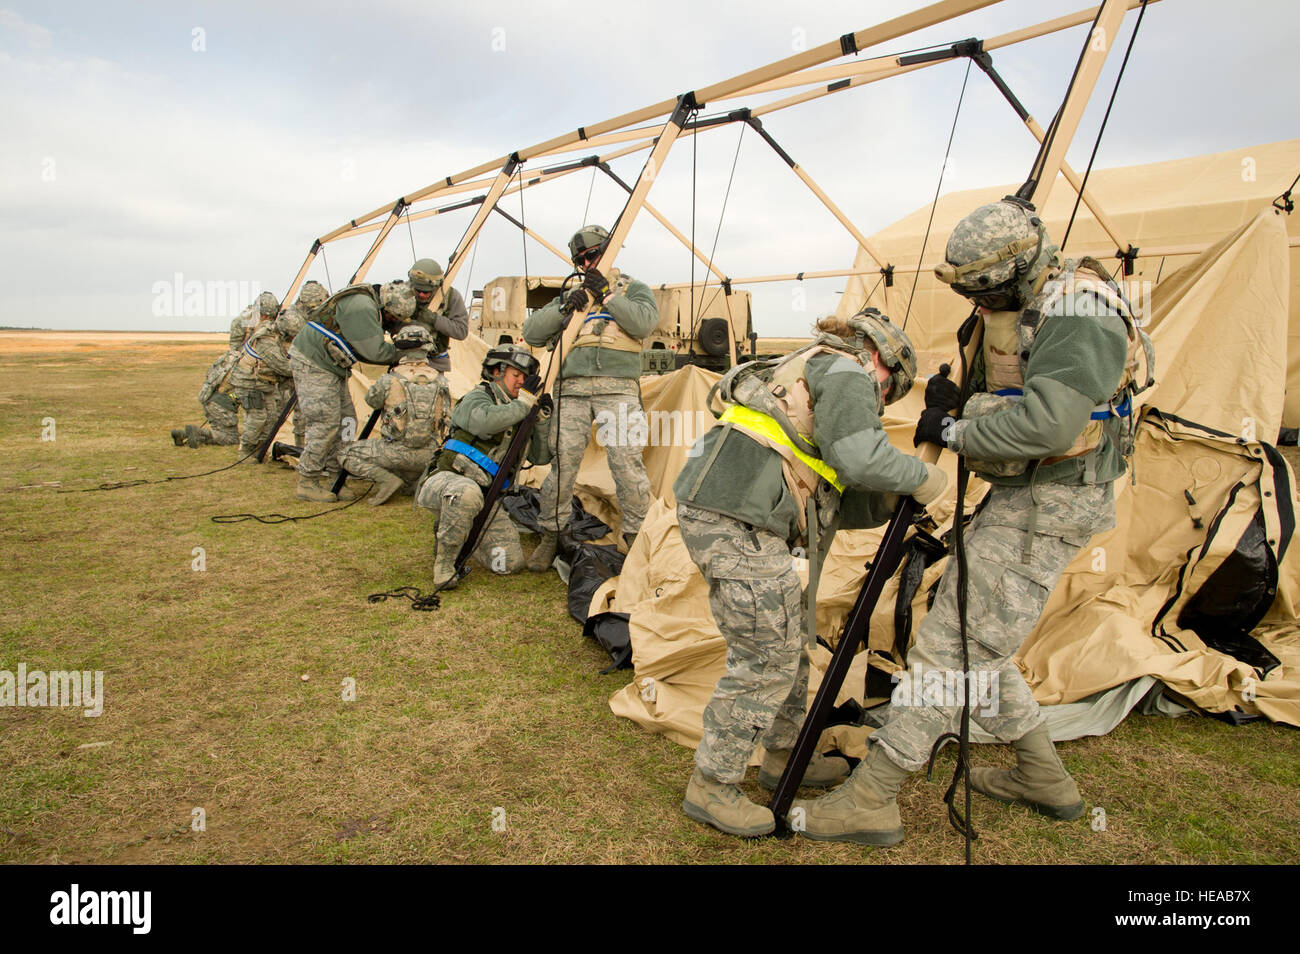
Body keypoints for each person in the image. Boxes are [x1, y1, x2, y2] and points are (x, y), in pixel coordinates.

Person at [794, 195, 1145, 846]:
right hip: (1020, 495)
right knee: (978, 632)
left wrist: (955, 426)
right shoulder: (1024, 300)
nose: (978, 306)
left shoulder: (1081, 310)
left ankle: (873, 798)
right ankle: (1045, 777)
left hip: (1051, 502)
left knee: (953, 645)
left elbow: (1050, 423)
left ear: (1017, 269)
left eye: (985, 292)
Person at [672, 311, 949, 838]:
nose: (881, 402)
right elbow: (861, 459)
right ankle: (712, 785)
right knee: (766, 655)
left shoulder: (809, 369)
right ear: (881, 361)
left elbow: (841, 495)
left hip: (741, 514)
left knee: (789, 640)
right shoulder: (847, 371)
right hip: (737, 518)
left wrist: (898, 493)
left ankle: (782, 756)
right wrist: (925, 477)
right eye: (888, 392)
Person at [521, 225, 658, 569]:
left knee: (626, 466)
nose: (587, 262)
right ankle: (552, 534)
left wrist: (608, 296)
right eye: (581, 259)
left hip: (618, 388)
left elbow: (643, 324)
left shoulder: (634, 288)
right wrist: (566, 305)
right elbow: (532, 333)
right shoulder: (571, 294)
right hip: (571, 389)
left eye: (593, 254)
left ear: (609, 251)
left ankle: (637, 540)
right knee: (562, 465)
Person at [415, 343, 552, 588]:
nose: (521, 381)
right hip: (446, 482)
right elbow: (484, 423)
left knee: (509, 564)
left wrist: (541, 421)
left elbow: (541, 458)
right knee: (467, 494)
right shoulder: (479, 396)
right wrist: (523, 405)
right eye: (516, 375)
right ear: (497, 372)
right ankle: (445, 565)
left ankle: (459, 530)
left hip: (487, 498)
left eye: (525, 377)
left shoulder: (521, 409)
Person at [288, 280, 405, 502]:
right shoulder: (362, 305)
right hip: (314, 363)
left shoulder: (367, 302)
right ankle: (307, 480)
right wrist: (403, 351)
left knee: (347, 421)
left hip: (330, 366)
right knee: (325, 422)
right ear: (386, 307)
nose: (392, 323)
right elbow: (376, 352)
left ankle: (336, 477)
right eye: (392, 318)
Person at [339, 323, 451, 506]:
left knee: (345, 453)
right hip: (429, 455)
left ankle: (387, 480)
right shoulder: (442, 381)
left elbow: (371, 401)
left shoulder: (389, 379)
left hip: (395, 452)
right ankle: (416, 482)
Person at [171, 291, 278, 448]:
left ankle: (189, 434)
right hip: (221, 400)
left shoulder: (241, 322)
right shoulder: (247, 331)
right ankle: (197, 432)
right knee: (230, 438)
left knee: (240, 402)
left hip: (220, 395)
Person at [229, 292, 290, 460]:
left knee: (271, 416)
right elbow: (283, 367)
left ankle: (260, 450)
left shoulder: (271, 331)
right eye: (266, 315)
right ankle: (246, 452)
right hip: (248, 380)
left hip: (264, 381)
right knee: (257, 416)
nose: (267, 318)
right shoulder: (263, 336)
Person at [279, 280, 330, 447]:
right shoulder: (293, 319)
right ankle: (300, 446)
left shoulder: (305, 314)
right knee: (301, 408)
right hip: (293, 366)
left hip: (302, 364)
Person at [407, 259, 468, 377]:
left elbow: (461, 331)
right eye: (418, 290)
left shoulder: (451, 297)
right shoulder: (403, 294)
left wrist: (434, 319)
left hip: (434, 363)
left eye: (426, 292)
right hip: (404, 360)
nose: (421, 295)